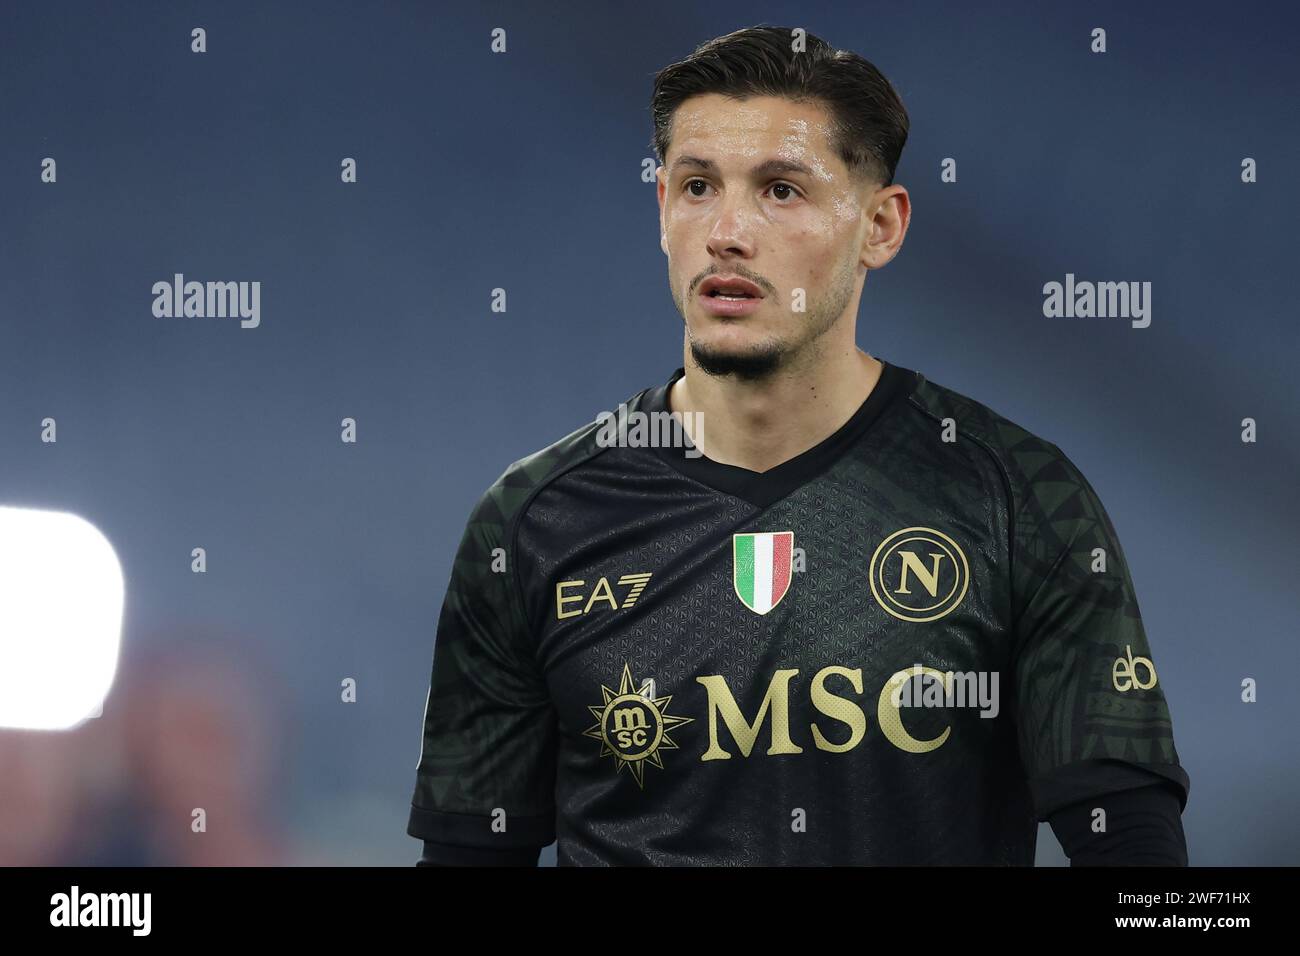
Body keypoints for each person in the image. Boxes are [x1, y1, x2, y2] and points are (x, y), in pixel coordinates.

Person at [407, 26, 1189, 866]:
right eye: (698, 186)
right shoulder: (532, 523)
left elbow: (1134, 858)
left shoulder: (1016, 497)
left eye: (781, 190)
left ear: (880, 226)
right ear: (663, 209)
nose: (727, 232)